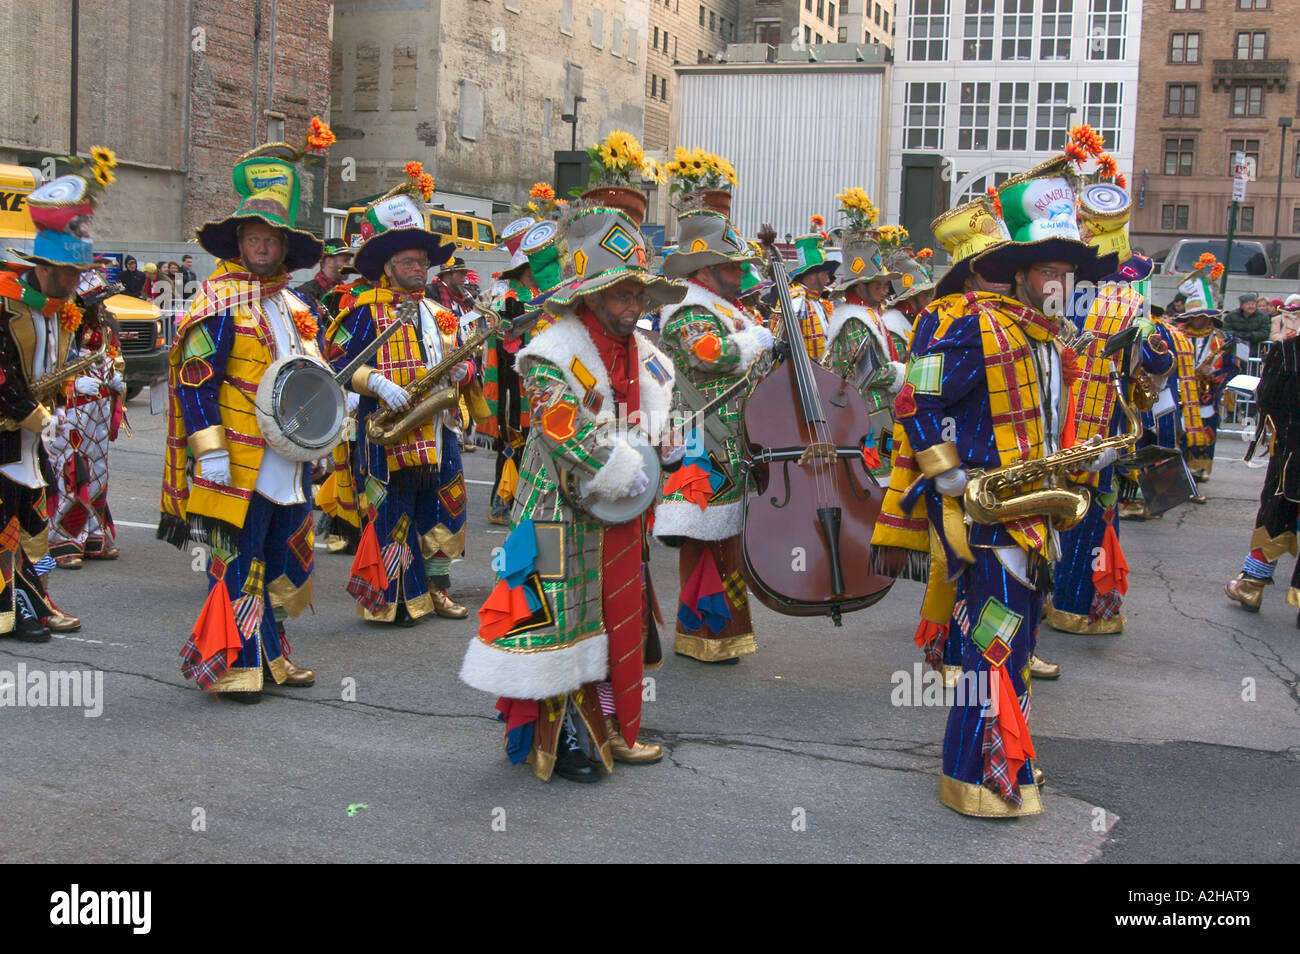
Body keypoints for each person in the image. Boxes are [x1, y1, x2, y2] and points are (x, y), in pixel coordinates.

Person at [872, 154, 1117, 817]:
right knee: (995, 638)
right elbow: (916, 402)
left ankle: (999, 760)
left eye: (1067, 272)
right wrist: (947, 472)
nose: (1060, 283)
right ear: (1020, 273)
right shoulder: (973, 324)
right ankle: (984, 771)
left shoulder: (1047, 337)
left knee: (1017, 638)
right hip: (986, 513)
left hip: (1036, 512)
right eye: (1048, 270)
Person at [459, 195, 684, 783]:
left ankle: (614, 726)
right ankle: (562, 743)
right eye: (621, 294)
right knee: (560, 623)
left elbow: (669, 409)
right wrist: (614, 465)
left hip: (621, 512)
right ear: (588, 295)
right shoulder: (548, 354)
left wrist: (673, 440)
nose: (633, 307)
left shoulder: (647, 352)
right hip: (555, 511)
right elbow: (561, 426)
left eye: (638, 294)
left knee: (619, 619)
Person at [159, 124, 335, 700]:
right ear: (239, 243)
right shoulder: (216, 300)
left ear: (285, 248)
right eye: (255, 239)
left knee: (283, 554)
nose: (264, 248)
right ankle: (233, 662)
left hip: (289, 459)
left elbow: (312, 382)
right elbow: (195, 382)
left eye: (274, 240)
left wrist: (325, 443)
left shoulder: (293, 303)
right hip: (236, 456)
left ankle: (272, 654)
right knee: (239, 557)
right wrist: (207, 453)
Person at [327, 164, 471, 625]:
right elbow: (338, 366)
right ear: (387, 267)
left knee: (443, 509)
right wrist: (379, 383)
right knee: (392, 515)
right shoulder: (362, 310)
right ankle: (397, 600)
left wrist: (464, 370)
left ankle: (437, 589)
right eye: (409, 263)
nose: (420, 269)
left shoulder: (438, 311)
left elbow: (452, 362)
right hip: (384, 431)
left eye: (423, 262)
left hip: (436, 428)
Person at [0, 152, 119, 640]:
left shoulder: (61, 309)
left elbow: (58, 368)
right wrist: (39, 419)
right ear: (43, 267)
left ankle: (36, 595)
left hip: (34, 438)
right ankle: (11, 607)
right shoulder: (6, 306)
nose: (75, 286)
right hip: (8, 436)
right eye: (68, 276)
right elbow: (4, 382)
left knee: (34, 524)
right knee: (5, 524)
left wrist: (72, 394)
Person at [655, 207, 772, 664]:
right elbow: (710, 355)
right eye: (732, 265)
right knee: (709, 539)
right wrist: (753, 342)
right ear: (706, 269)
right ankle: (703, 631)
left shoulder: (723, 309)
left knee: (727, 541)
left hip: (727, 439)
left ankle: (717, 632)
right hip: (704, 442)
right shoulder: (687, 310)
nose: (741, 272)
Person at [47, 267, 127, 567]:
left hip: (99, 407)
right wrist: (72, 383)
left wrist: (116, 378)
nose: (101, 306)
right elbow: (45, 367)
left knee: (97, 474)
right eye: (95, 302)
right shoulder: (61, 323)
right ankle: (64, 540)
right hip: (70, 409)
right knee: (71, 473)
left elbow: (111, 357)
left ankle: (94, 536)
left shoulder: (104, 323)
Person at [1225, 331, 1300, 620]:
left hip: (1291, 451)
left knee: (1275, 512)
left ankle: (1252, 585)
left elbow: (1268, 399)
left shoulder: (1289, 349)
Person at [822, 219, 903, 481]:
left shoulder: (869, 315)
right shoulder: (855, 321)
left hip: (877, 411)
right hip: (866, 413)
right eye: (878, 284)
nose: (885, 289)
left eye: (884, 284)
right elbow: (869, 373)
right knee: (875, 478)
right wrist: (903, 374)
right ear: (860, 287)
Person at [771, 231, 837, 360]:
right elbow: (778, 339)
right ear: (813, 274)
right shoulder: (795, 297)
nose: (828, 280)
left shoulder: (820, 302)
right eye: (825, 274)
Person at [293, 238, 353, 315]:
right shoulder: (305, 293)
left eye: (349, 260)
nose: (349, 264)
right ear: (329, 262)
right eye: (345, 260)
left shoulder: (348, 292)